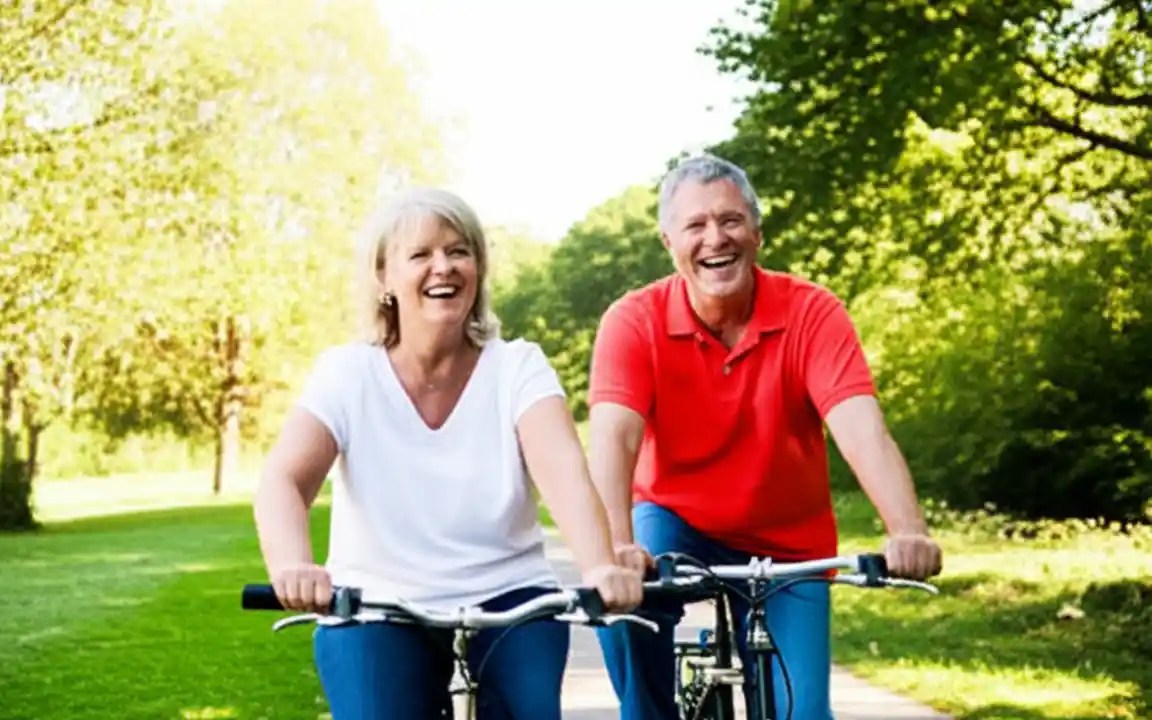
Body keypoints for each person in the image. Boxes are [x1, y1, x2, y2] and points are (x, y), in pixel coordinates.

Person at [252, 187, 643, 720]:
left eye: (459, 251)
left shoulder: (517, 367)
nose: (444, 267)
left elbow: (566, 477)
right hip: (375, 606)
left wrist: (599, 566)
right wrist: (292, 564)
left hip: (512, 599)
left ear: (478, 268)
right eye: (421, 255)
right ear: (384, 278)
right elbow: (285, 481)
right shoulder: (347, 374)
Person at [587, 154, 943, 719]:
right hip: (675, 518)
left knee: (802, 712)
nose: (715, 238)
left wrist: (907, 529)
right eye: (695, 226)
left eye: (730, 220)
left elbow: (862, 430)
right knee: (623, 609)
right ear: (668, 241)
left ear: (757, 232)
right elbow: (613, 441)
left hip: (787, 540)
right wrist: (614, 549)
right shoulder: (634, 321)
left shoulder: (812, 312)